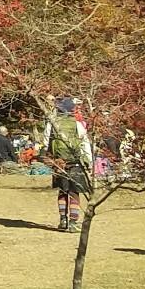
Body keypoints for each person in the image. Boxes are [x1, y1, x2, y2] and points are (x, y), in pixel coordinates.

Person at [42, 97, 93, 232]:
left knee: (63, 191)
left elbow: (46, 141)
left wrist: (50, 158)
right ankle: (73, 222)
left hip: (59, 162)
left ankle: (62, 220)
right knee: (74, 192)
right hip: (75, 162)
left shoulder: (52, 124)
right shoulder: (77, 124)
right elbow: (84, 143)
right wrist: (89, 162)